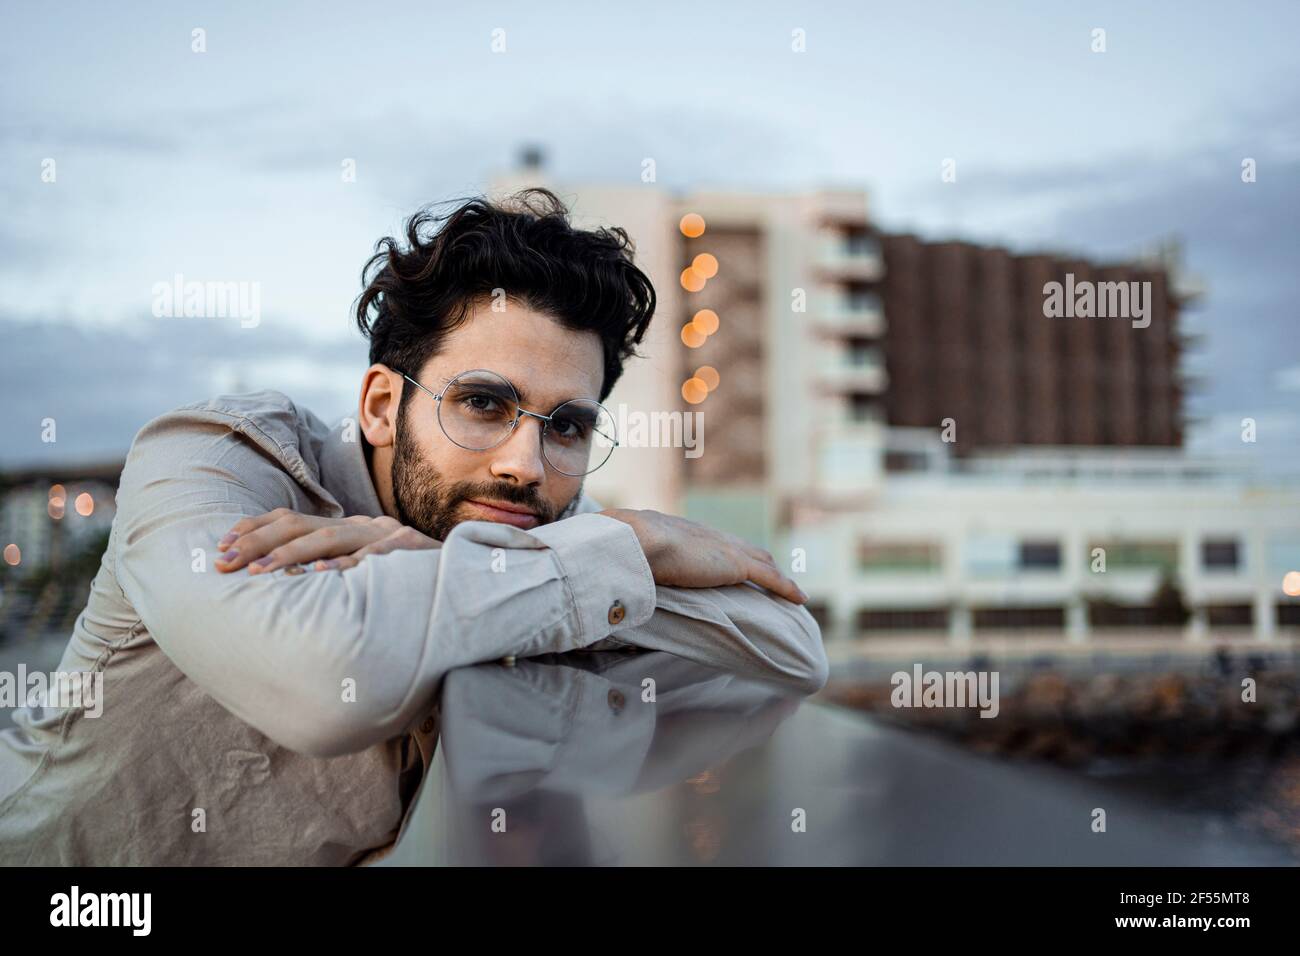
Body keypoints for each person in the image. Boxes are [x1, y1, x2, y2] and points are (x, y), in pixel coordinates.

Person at [0, 188, 826, 865]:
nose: (527, 465)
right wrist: (631, 547)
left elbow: (793, 645)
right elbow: (327, 686)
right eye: (483, 404)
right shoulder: (217, 459)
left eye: (566, 425)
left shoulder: (548, 527)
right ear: (382, 406)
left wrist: (451, 558)